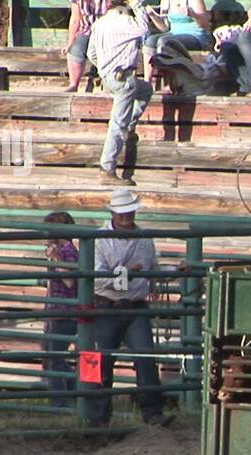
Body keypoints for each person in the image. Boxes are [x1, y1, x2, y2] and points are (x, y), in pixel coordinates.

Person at [86, 189, 173, 428]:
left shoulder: (143, 238)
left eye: (129, 212)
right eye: (122, 213)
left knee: (145, 356)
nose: (126, 217)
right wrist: (128, 274)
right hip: (107, 304)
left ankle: (151, 412)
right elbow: (97, 279)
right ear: (113, 213)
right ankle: (97, 415)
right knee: (101, 361)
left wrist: (171, 272)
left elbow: (151, 268)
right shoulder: (99, 239)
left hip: (132, 305)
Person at [87, 0, 153, 185]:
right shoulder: (125, 22)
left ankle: (130, 128)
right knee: (117, 124)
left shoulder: (99, 24)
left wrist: (104, 66)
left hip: (109, 77)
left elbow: (91, 54)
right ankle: (107, 168)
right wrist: (138, 5)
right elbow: (143, 28)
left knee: (146, 90)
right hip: (123, 78)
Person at [42, 212, 80, 407]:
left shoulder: (68, 252)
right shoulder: (59, 250)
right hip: (56, 311)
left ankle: (61, 402)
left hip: (64, 312)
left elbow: (69, 281)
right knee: (53, 356)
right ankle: (73, 393)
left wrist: (56, 260)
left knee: (54, 359)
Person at [141, 0, 214, 86]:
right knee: (151, 40)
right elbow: (165, 28)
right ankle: (146, 83)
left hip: (195, 35)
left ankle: (173, 83)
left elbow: (204, 24)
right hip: (173, 34)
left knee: (165, 42)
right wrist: (152, 16)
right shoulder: (166, 2)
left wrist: (192, 14)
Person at [62, 0, 109, 92]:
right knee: (76, 49)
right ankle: (74, 84)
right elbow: (75, 19)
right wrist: (70, 42)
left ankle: (105, 83)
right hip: (86, 30)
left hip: (107, 31)